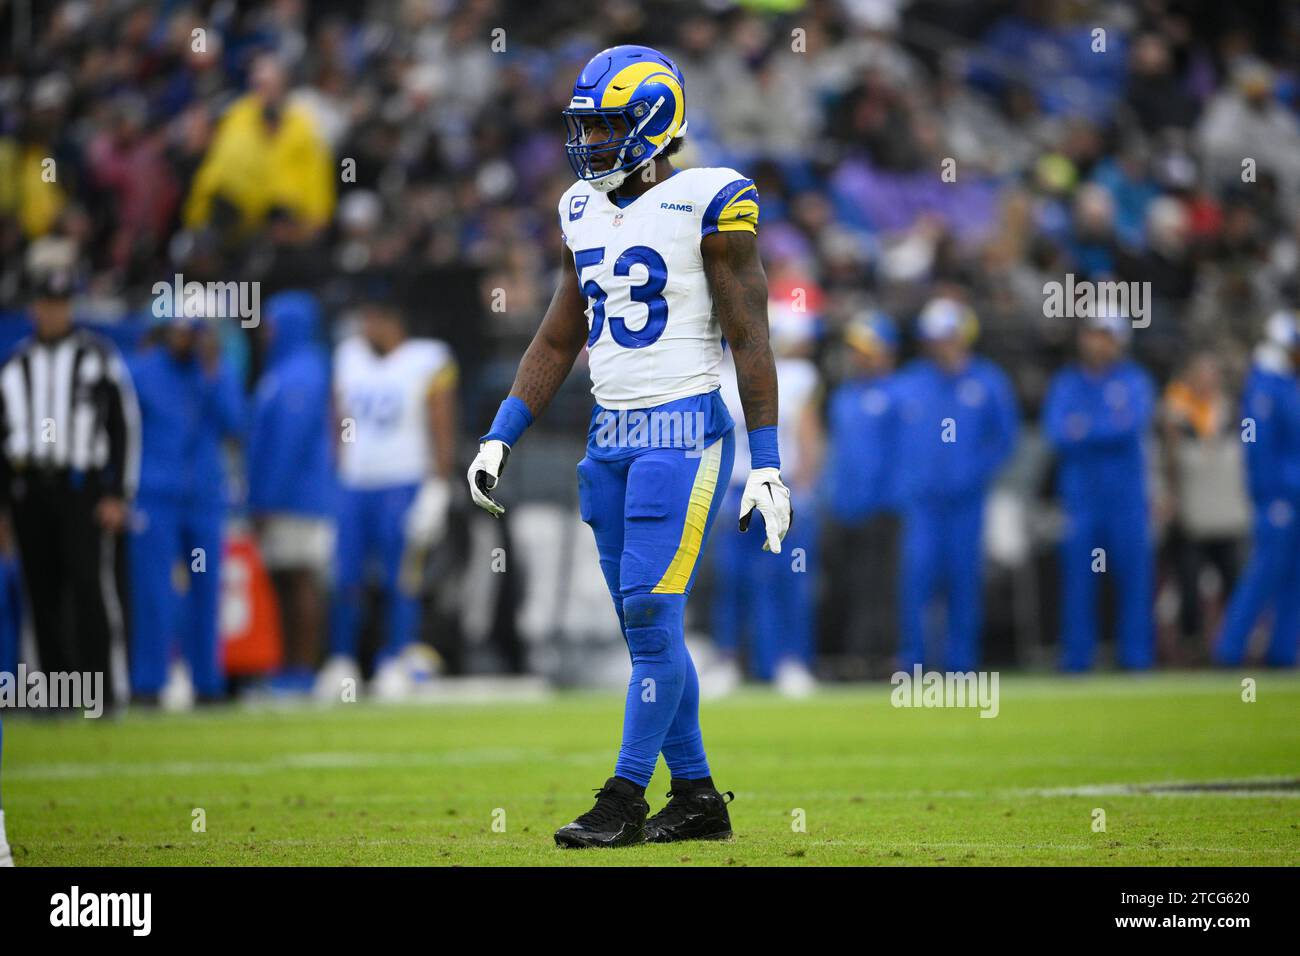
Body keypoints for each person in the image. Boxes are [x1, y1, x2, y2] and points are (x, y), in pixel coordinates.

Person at [467, 45, 791, 848]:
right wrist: (500, 435)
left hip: (682, 431)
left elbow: (751, 335)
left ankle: (621, 798)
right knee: (648, 627)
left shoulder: (713, 199)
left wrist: (769, 464)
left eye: (609, 127)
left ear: (655, 124)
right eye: (586, 127)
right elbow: (554, 339)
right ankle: (698, 799)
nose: (591, 144)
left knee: (650, 615)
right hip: (611, 438)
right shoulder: (582, 208)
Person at [0, 267, 138, 711]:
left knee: (88, 587)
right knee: (41, 591)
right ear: (34, 309)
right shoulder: (15, 365)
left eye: (61, 305)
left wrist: (120, 492)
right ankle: (55, 695)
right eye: (46, 304)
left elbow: (124, 428)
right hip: (29, 488)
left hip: (82, 488)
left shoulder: (99, 358)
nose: (54, 313)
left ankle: (103, 694)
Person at [321, 279, 457, 702]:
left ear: (390, 320)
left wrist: (438, 484)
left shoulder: (428, 359)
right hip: (357, 484)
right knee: (346, 577)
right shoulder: (349, 357)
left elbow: (441, 426)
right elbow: (337, 419)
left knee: (403, 578)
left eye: (371, 318)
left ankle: (395, 658)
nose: (365, 326)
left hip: (404, 480)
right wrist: (340, 472)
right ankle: (342, 661)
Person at [895, 297, 1018, 672]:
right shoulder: (912, 382)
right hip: (922, 503)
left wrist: (974, 472)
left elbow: (1005, 439)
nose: (942, 345)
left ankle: (960, 664)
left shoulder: (988, 381)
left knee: (964, 582)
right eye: (935, 338)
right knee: (916, 579)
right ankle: (914, 662)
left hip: (967, 502)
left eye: (948, 336)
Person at [706, 294, 821, 697]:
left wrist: (804, 488)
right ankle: (727, 658)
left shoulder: (797, 375)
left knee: (788, 578)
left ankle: (791, 660)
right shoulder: (717, 372)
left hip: (781, 486)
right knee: (732, 579)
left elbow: (808, 436)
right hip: (735, 488)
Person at [127, 315, 244, 706]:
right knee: (153, 592)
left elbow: (236, 423)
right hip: (155, 497)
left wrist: (213, 375)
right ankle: (148, 681)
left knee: (206, 591)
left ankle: (207, 682)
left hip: (203, 500)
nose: (188, 337)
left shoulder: (212, 371)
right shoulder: (142, 372)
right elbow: (122, 432)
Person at [1043, 310, 1157, 671]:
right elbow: (1057, 432)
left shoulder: (1135, 380)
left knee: (1134, 580)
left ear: (1119, 340)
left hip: (1125, 499)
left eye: (1105, 335)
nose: (1097, 342)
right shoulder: (1067, 383)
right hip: (1082, 499)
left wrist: (1086, 429)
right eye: (1092, 334)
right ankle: (1077, 659)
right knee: (1079, 581)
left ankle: (1136, 658)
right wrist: (1103, 427)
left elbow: (1128, 426)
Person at [247, 291, 336, 695]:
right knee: (283, 579)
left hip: (297, 497)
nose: (266, 333)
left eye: (272, 325)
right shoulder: (284, 370)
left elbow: (288, 442)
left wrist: (267, 498)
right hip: (284, 495)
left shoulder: (302, 372)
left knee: (299, 577)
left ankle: (302, 670)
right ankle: (288, 668)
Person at [1214, 311, 1300, 668]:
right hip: (1278, 497)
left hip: (1293, 492)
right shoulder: (1264, 386)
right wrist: (1269, 492)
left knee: (1294, 577)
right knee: (1263, 572)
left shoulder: (1287, 384)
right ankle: (1229, 650)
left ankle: (1282, 651)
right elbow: (1256, 444)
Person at [821, 311, 904, 677]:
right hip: (845, 508)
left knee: (881, 587)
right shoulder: (844, 396)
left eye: (867, 349)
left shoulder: (899, 394)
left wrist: (890, 497)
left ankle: (881, 658)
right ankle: (852, 657)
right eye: (856, 350)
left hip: (885, 509)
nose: (859, 357)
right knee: (848, 586)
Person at [1160, 352, 1248, 659]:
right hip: (1192, 515)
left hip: (1228, 513)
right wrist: (1168, 497)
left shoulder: (1234, 412)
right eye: (1199, 373)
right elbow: (1167, 463)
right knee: (1188, 584)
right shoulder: (1176, 413)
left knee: (1235, 581)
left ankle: (1235, 644)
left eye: (1210, 373)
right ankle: (1191, 645)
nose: (1205, 380)